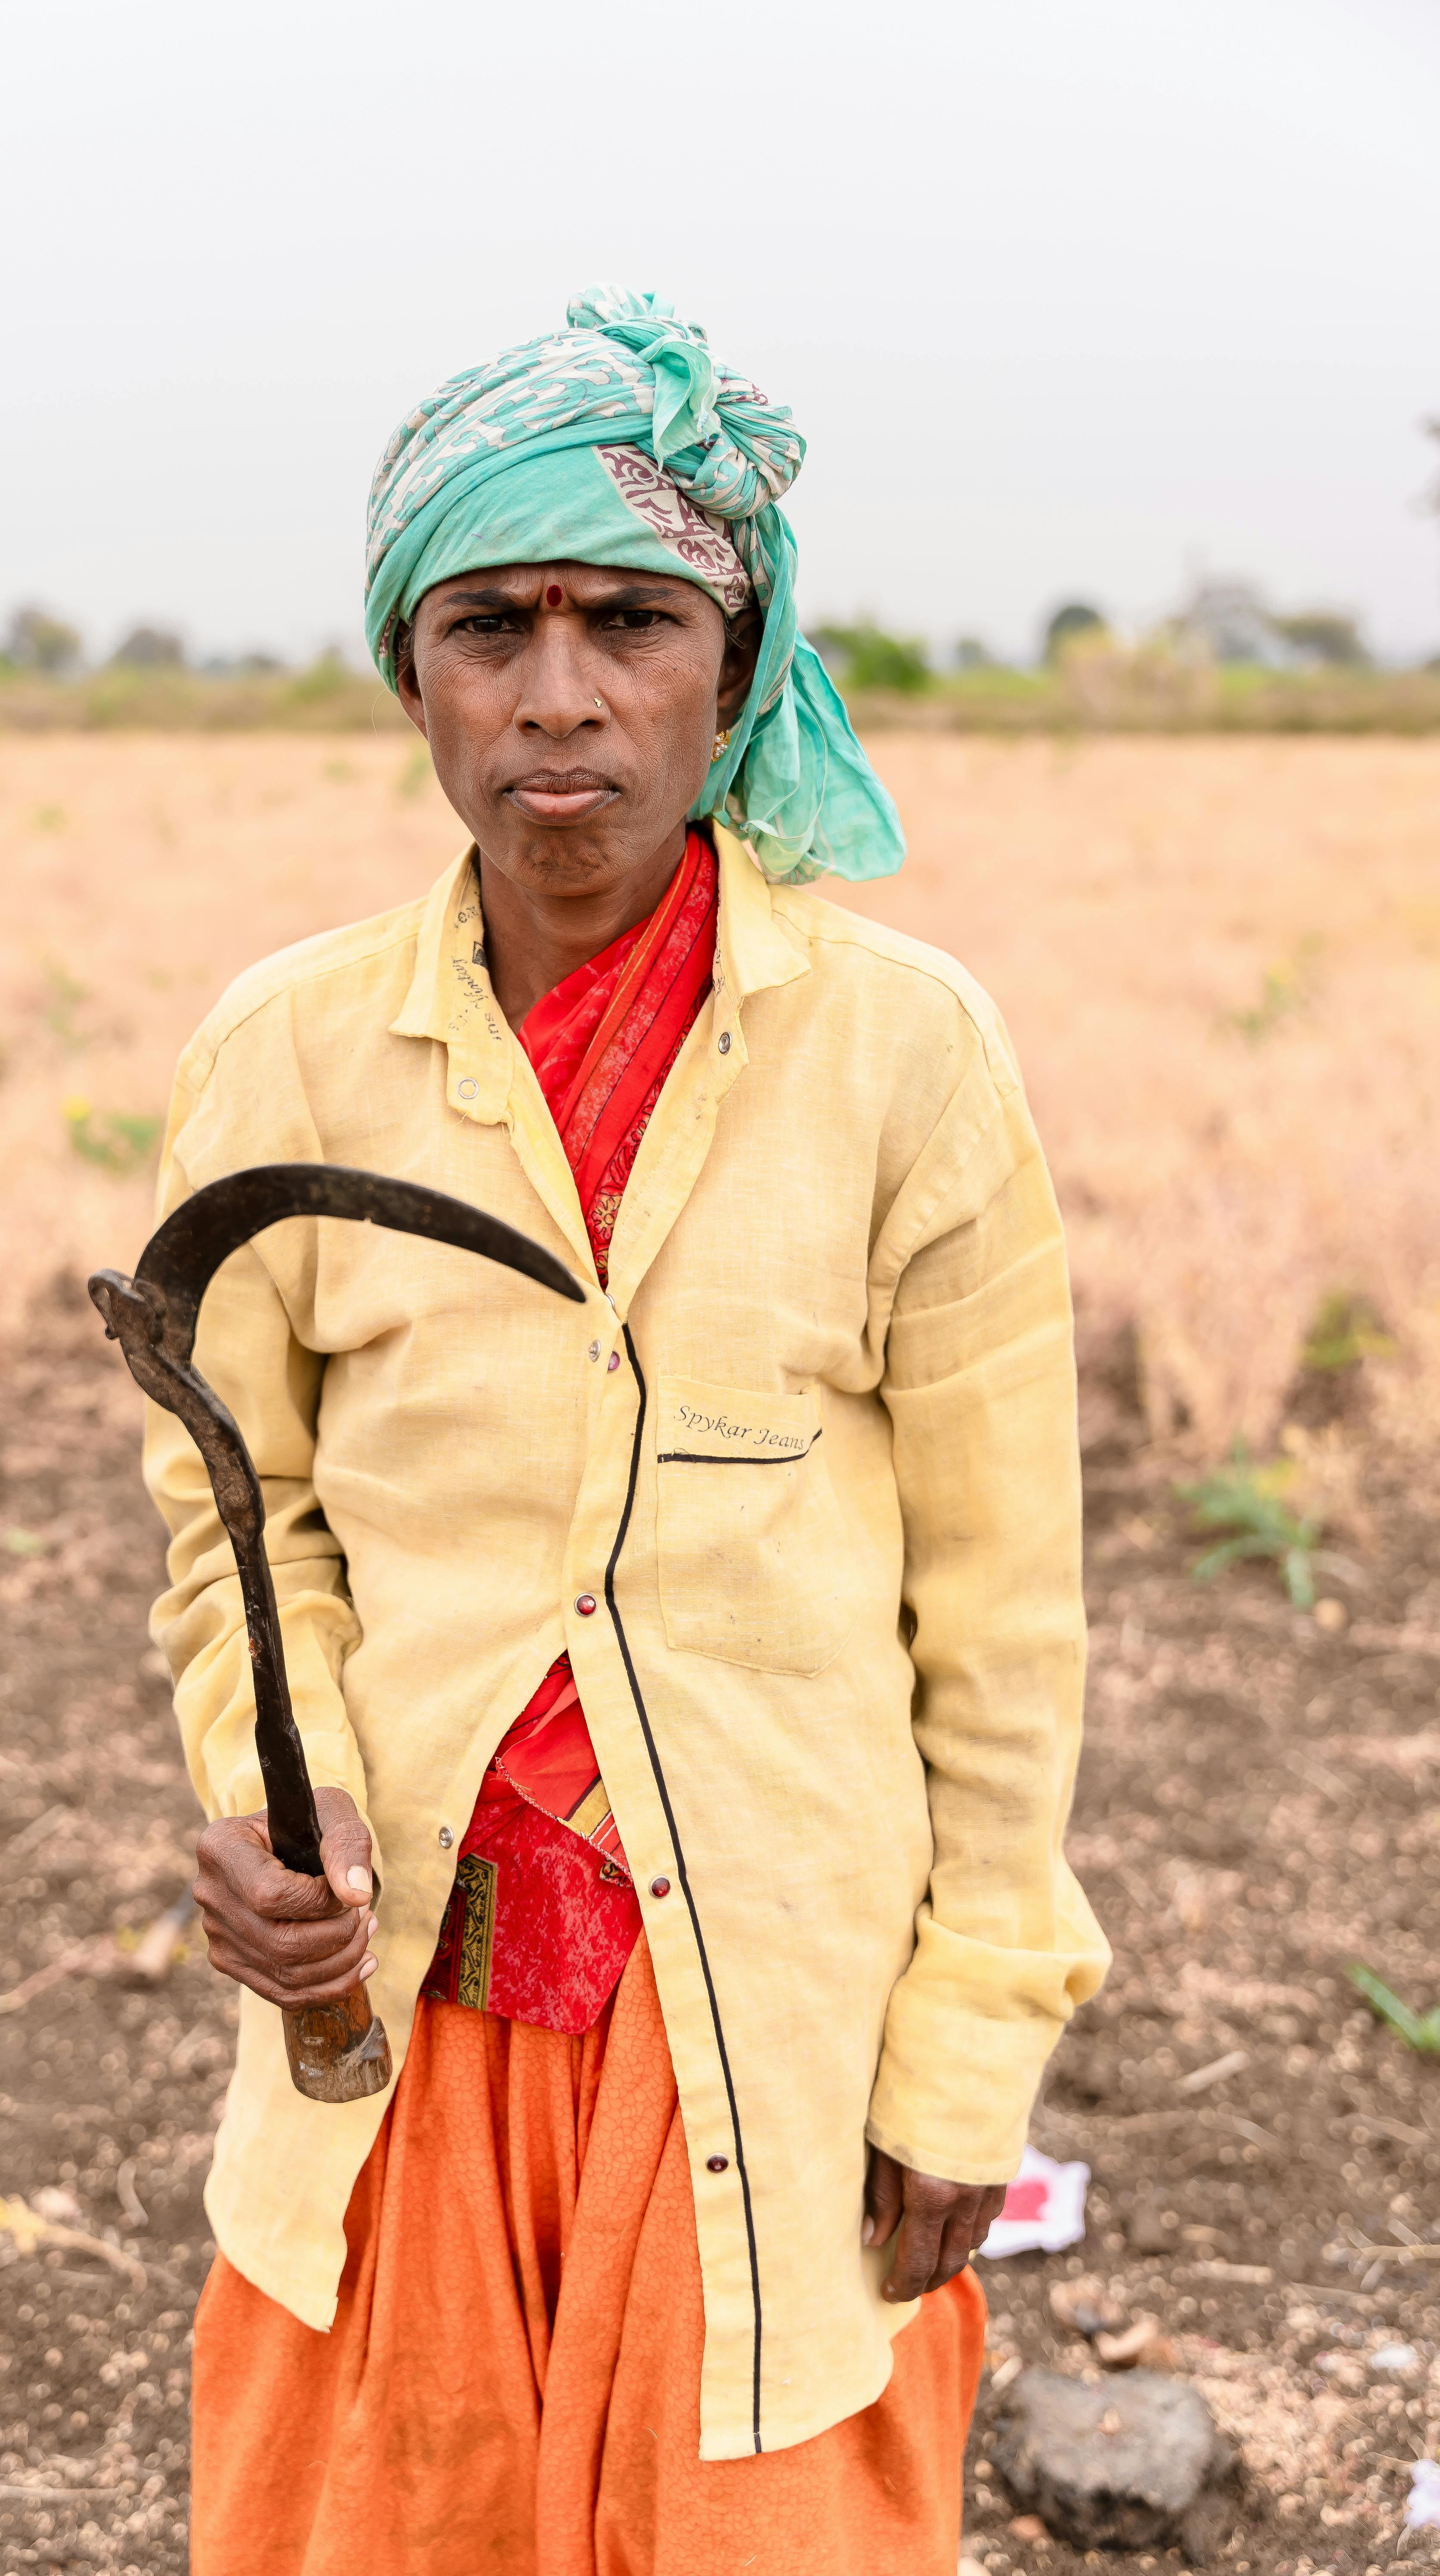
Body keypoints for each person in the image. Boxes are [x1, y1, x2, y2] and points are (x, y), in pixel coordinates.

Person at [147, 285, 1109, 2575]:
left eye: (629, 622)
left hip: (768, 2032)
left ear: (734, 665)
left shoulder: (901, 1059)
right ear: (414, 673)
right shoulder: (283, 1061)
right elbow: (239, 1526)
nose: (559, 693)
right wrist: (262, 1806)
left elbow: (1007, 1616)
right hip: (410, 2031)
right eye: (490, 626)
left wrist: (969, 2050)